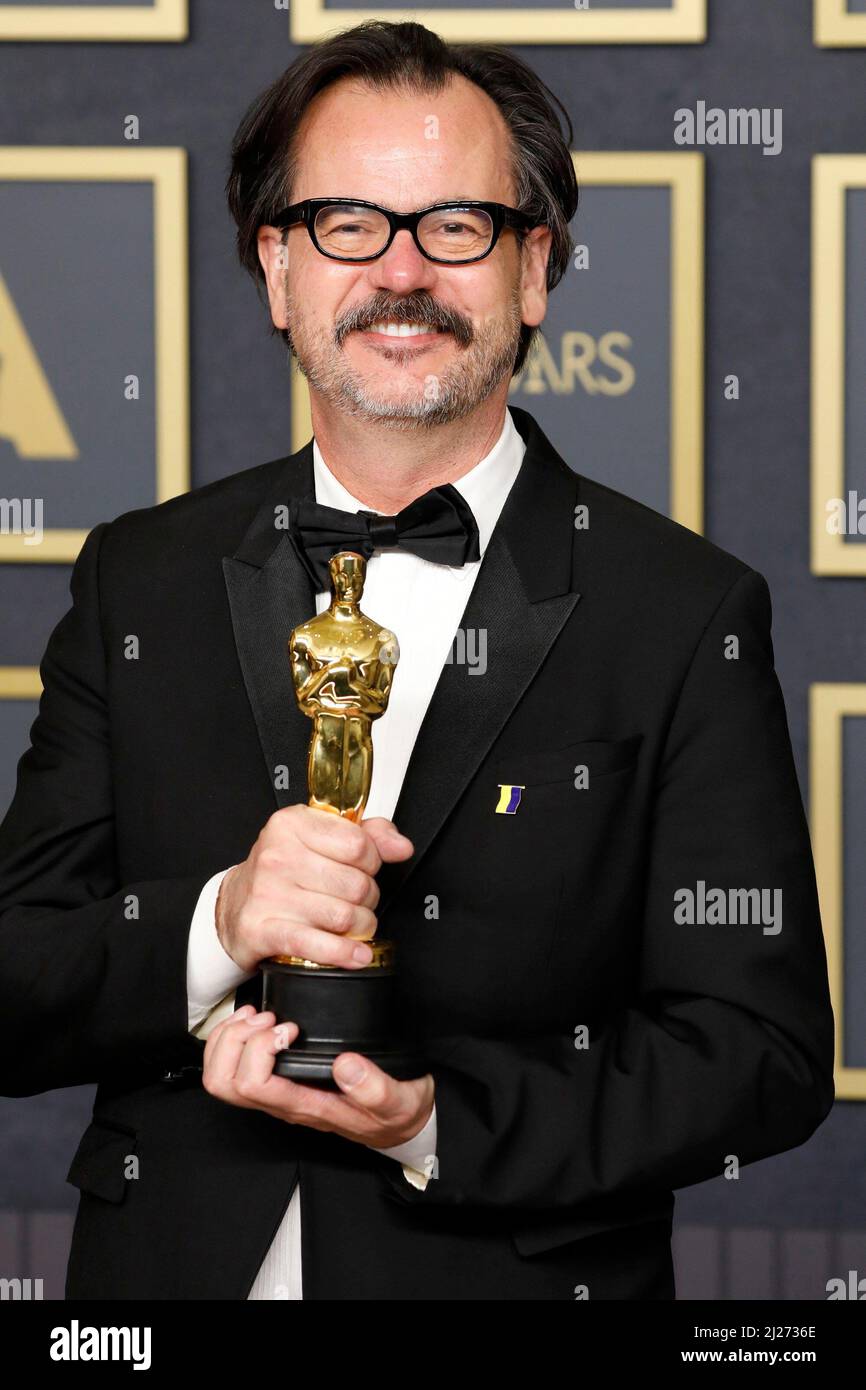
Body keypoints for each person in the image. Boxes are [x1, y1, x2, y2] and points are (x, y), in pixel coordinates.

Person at [0, 20, 834, 1301]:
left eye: (454, 225)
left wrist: (434, 1122)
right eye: (345, 222)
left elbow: (759, 1055)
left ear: (533, 268)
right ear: (277, 270)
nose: (399, 270)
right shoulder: (138, 578)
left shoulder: (681, 612)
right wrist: (215, 924)